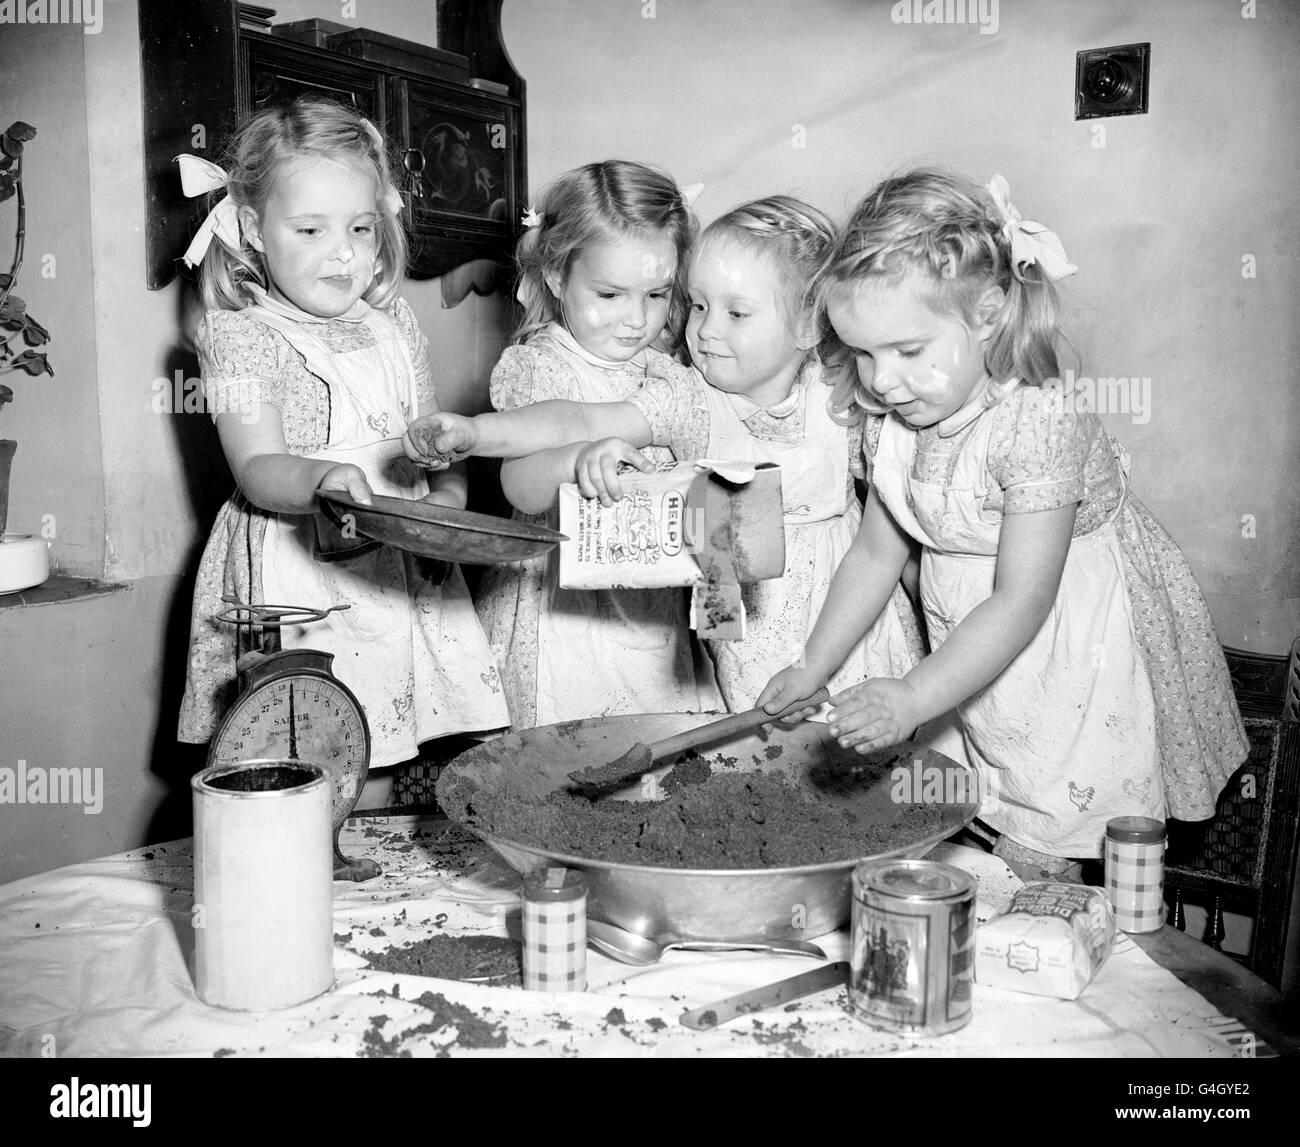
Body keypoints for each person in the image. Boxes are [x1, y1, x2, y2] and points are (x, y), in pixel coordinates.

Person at [752, 168, 1248, 882]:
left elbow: (1022, 599)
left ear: (986, 315)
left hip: (1066, 648)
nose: (881, 379)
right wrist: (812, 664)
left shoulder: (1039, 418)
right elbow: (873, 554)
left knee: (1041, 834)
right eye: (862, 352)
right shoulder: (890, 418)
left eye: (907, 351)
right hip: (971, 648)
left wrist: (916, 695)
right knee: (958, 809)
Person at [406, 196, 927, 711]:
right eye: (698, 304)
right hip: (746, 641)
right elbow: (577, 419)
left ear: (810, 324)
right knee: (753, 764)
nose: (705, 330)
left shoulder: (843, 399)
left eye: (737, 312)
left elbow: (897, 529)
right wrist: (477, 433)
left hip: (860, 629)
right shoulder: (690, 398)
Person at [176, 97, 509, 807]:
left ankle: (373, 893)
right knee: (310, 748)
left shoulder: (393, 325)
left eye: (361, 227)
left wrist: (444, 503)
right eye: (311, 228)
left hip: (397, 564)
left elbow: (429, 449)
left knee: (389, 742)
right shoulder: (242, 336)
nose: (345, 251)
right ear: (250, 228)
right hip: (298, 574)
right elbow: (257, 467)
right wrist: (321, 477)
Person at [449, 159, 718, 728]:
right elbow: (516, 487)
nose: (636, 319)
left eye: (656, 294)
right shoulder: (539, 368)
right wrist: (574, 460)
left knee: (657, 753)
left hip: (649, 606)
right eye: (611, 294)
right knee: (568, 759)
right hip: (562, 613)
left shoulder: (668, 372)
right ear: (555, 278)